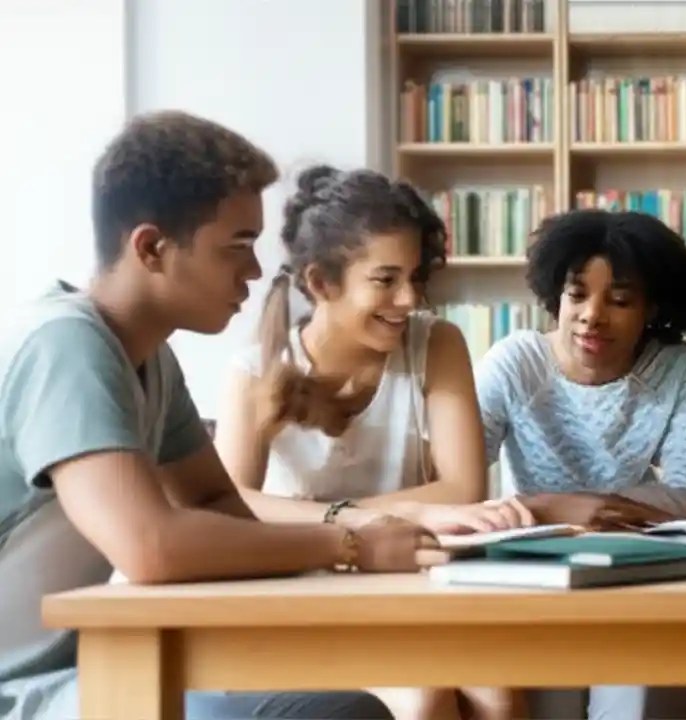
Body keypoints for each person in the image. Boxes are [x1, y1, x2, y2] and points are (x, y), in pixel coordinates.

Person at [0, 111, 436, 720]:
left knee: (352, 709)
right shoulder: (64, 343)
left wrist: (350, 553)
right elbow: (150, 545)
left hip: (88, 666)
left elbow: (214, 505)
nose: (256, 272)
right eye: (237, 247)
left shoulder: (151, 359)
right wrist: (352, 544)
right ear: (151, 247)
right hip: (25, 693)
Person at [213, 165, 531, 720]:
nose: (408, 299)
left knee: (499, 693)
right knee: (424, 700)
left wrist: (329, 515)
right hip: (306, 596)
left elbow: (462, 488)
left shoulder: (437, 344)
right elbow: (230, 503)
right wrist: (379, 516)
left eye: (415, 276)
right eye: (385, 280)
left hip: (419, 583)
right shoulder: (255, 370)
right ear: (321, 283)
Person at [475, 208, 686, 720]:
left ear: (651, 307)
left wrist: (572, 509)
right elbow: (458, 491)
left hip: (644, 576)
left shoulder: (681, 368)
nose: (591, 315)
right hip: (536, 583)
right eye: (576, 294)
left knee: (642, 696)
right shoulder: (515, 362)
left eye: (620, 300)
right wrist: (550, 509)